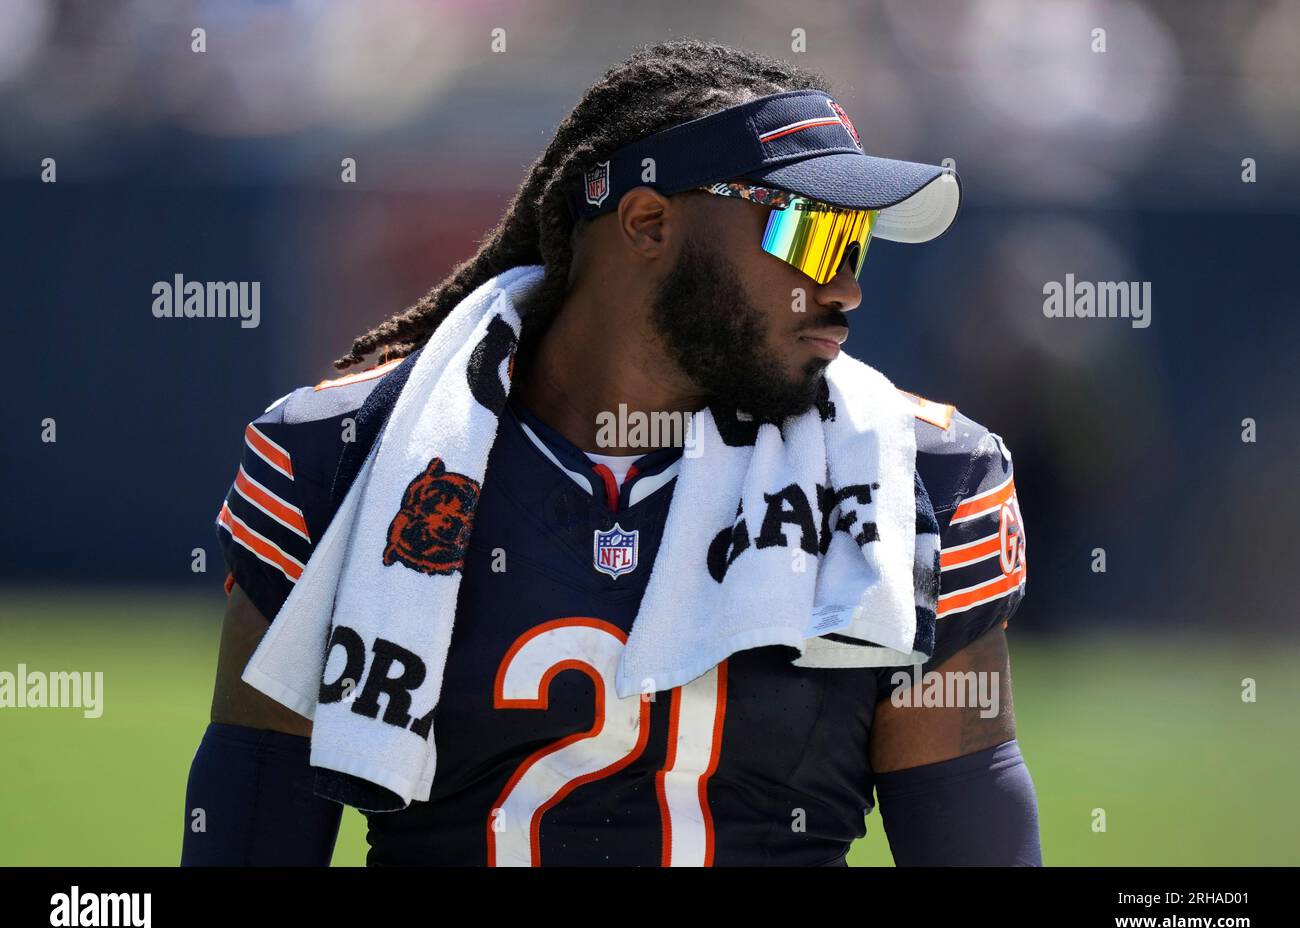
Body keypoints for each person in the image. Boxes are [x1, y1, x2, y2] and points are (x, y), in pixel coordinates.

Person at [182, 39, 1040, 867]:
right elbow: (256, 829)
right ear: (648, 222)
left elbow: (970, 833)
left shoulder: (912, 479)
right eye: (812, 238)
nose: (845, 287)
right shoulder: (341, 456)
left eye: (854, 248)